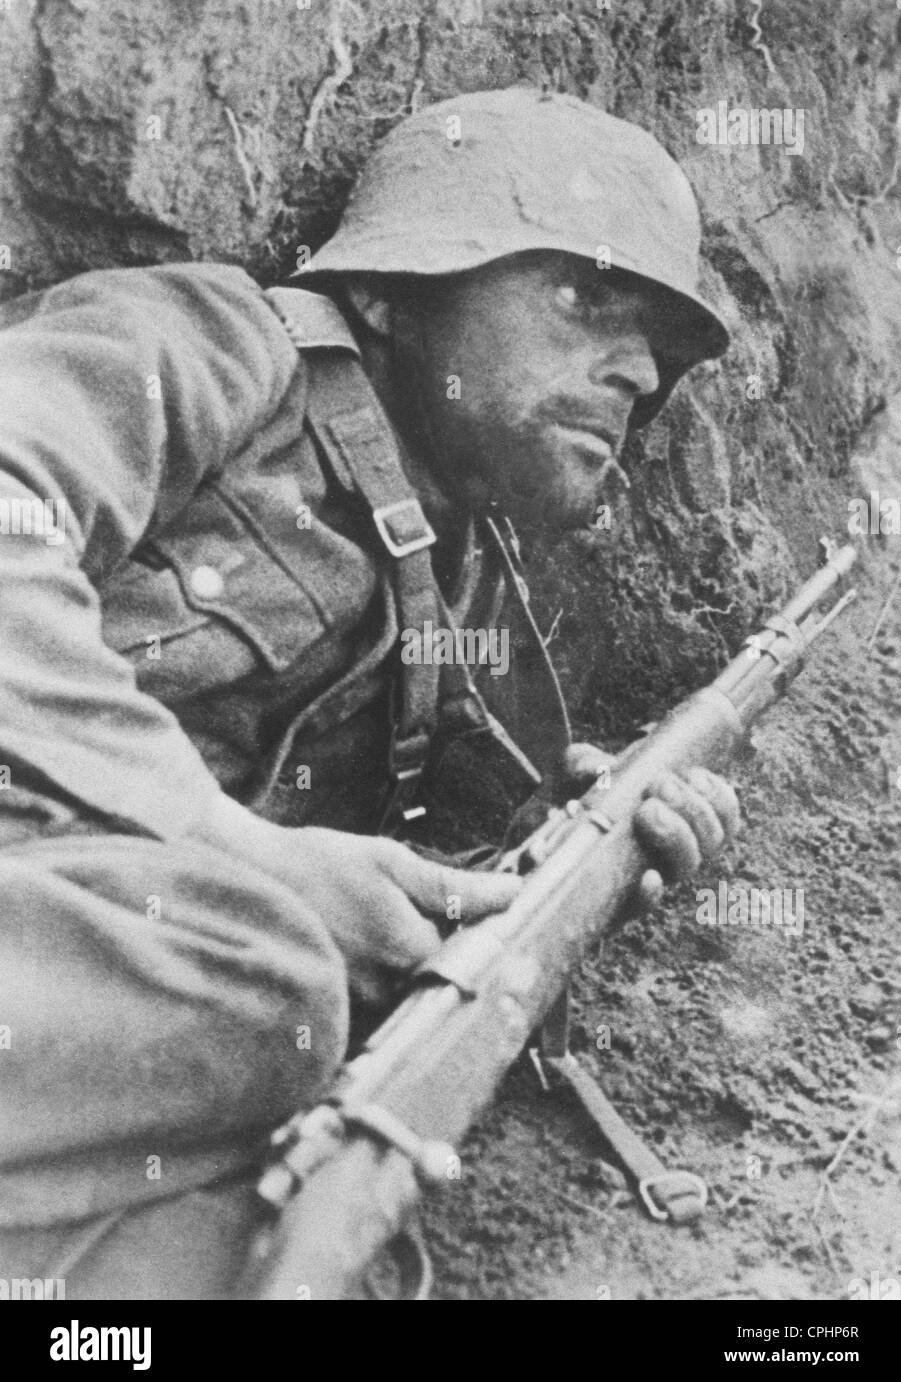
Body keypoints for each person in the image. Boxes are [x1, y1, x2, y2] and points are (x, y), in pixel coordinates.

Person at [0, 87, 738, 1298]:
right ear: (393, 289)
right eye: (588, 297)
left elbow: (405, 873)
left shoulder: (465, 583)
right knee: (274, 983)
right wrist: (227, 845)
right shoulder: (213, 340)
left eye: (655, 343)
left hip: (93, 1003)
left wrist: (563, 856)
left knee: (304, 1248)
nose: (641, 368)